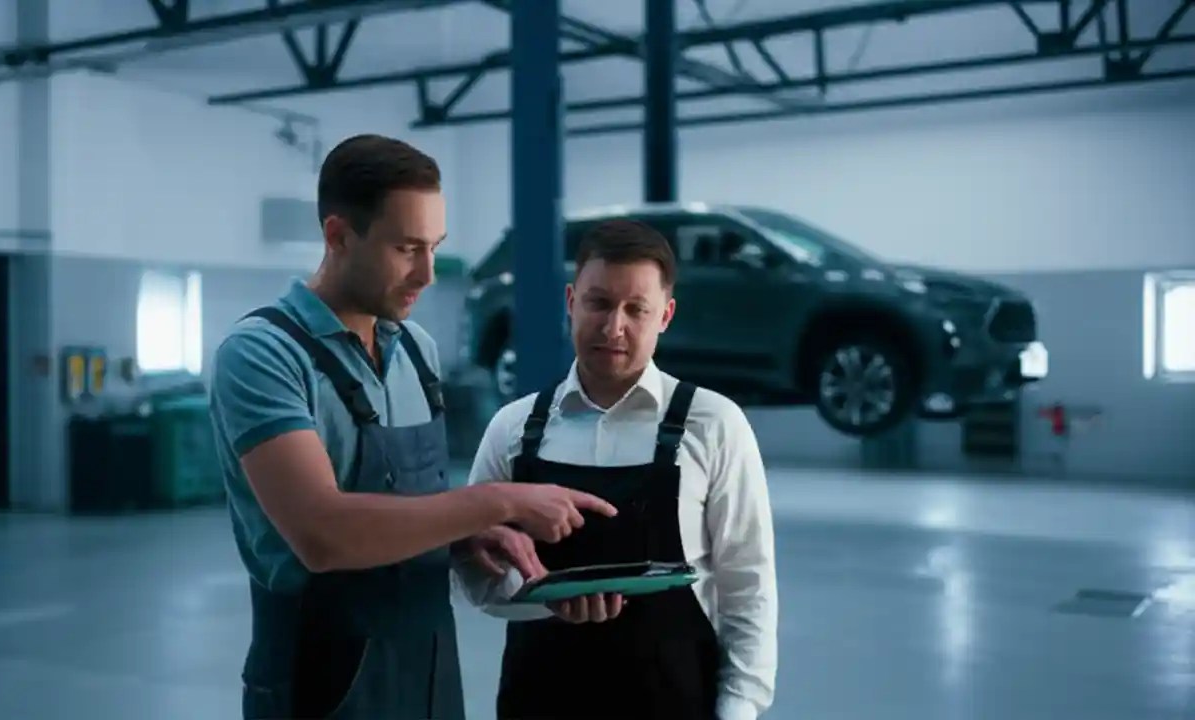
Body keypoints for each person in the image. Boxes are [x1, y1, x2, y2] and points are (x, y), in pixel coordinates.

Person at [207, 133, 618, 720]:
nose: (427, 273)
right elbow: (321, 533)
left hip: (427, 669)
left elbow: (408, 507)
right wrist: (493, 502)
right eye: (406, 248)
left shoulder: (416, 349)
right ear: (338, 236)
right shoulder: (261, 355)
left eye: (435, 247)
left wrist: (464, 539)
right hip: (318, 681)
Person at [453, 219, 779, 720]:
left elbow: (747, 589)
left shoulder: (714, 425)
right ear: (570, 302)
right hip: (538, 701)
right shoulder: (514, 429)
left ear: (665, 315)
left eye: (636, 310)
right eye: (599, 303)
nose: (613, 328)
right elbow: (475, 574)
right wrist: (541, 599)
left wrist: (738, 709)